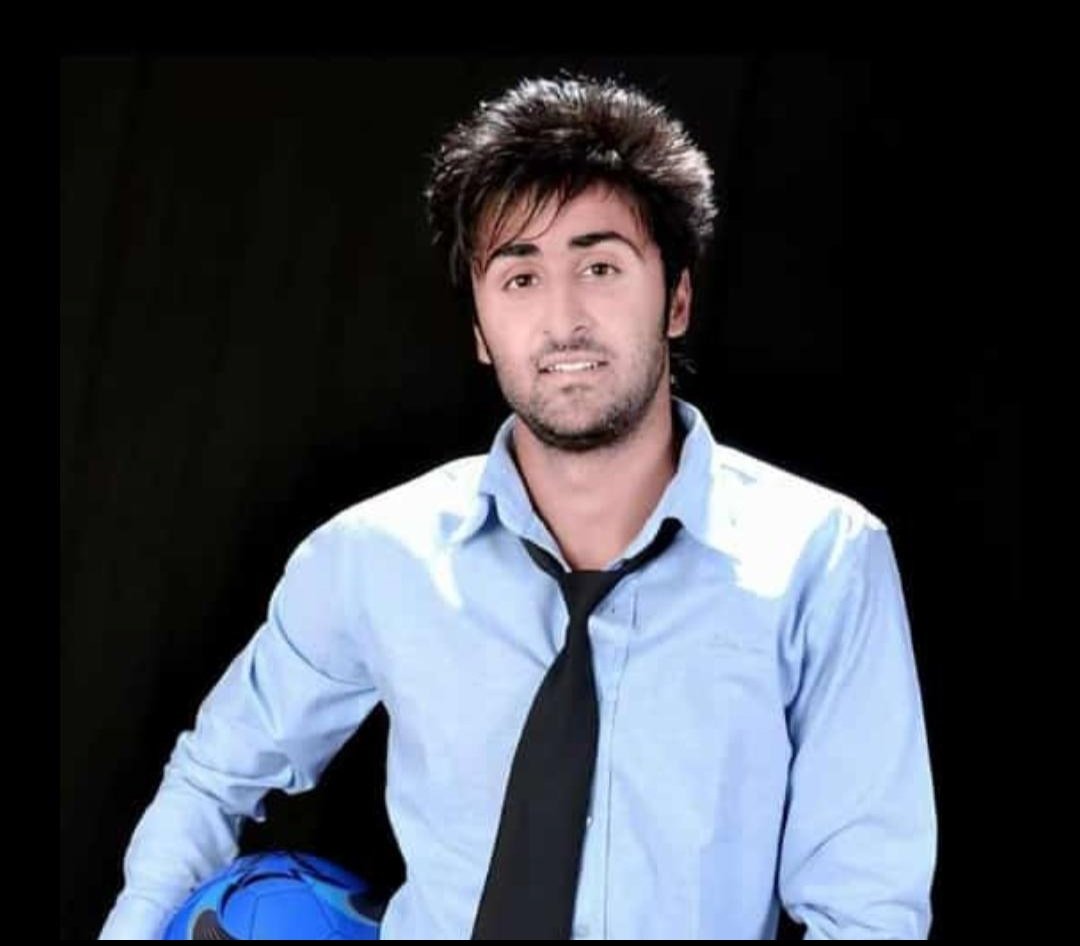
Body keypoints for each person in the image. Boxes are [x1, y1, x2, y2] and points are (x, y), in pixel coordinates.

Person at [98, 71, 937, 940]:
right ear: (478, 325)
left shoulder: (822, 559)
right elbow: (214, 777)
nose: (563, 319)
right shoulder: (372, 556)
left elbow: (867, 912)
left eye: (600, 266)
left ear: (677, 298)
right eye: (520, 277)